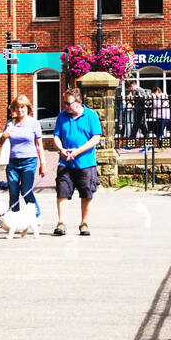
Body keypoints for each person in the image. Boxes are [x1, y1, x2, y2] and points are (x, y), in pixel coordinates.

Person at [53, 87, 102, 236]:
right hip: (65, 162)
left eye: (68, 104)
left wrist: (78, 151)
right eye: (64, 103)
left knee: (86, 193)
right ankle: (61, 223)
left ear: (79, 102)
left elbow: (96, 138)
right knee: (62, 191)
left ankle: (84, 223)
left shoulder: (91, 115)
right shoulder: (62, 116)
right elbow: (56, 136)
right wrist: (61, 149)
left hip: (85, 162)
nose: (66, 106)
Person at [0, 95, 46, 217]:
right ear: (14, 109)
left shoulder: (34, 123)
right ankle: (14, 219)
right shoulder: (11, 123)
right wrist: (4, 137)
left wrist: (43, 164)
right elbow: (2, 144)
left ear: (28, 108)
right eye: (17, 107)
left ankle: (36, 216)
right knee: (14, 192)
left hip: (29, 161)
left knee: (26, 190)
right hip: (12, 162)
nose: (20, 110)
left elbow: (39, 145)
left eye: (23, 107)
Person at [126, 79, 150, 146]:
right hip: (138, 112)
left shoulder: (140, 90)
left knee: (141, 127)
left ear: (133, 85)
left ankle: (131, 145)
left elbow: (145, 101)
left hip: (141, 112)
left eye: (130, 88)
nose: (130, 89)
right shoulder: (135, 91)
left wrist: (132, 98)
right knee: (139, 128)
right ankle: (131, 145)